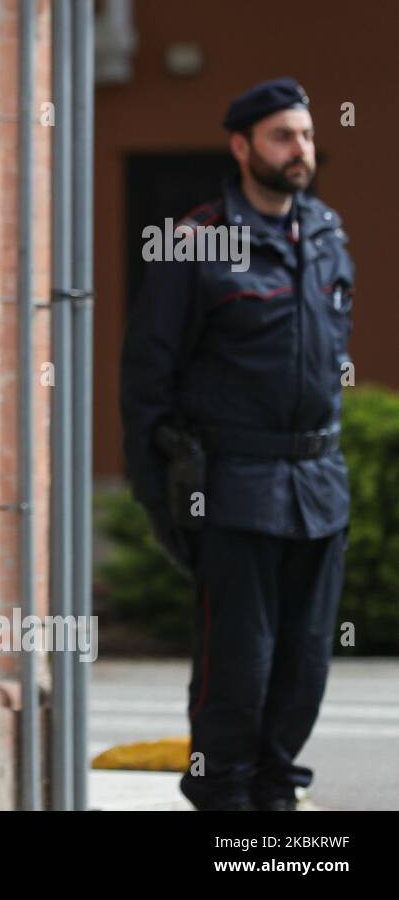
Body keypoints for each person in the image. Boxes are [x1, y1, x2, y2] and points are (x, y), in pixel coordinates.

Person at [120, 77, 354, 811]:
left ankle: (277, 802)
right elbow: (147, 376)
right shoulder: (198, 240)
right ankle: (226, 806)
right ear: (242, 145)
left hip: (317, 490)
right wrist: (160, 496)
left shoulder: (326, 234)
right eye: (283, 136)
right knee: (237, 676)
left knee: (303, 670)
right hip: (234, 490)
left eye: (307, 136)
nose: (300, 150)